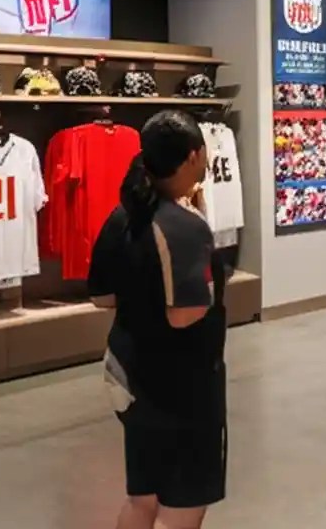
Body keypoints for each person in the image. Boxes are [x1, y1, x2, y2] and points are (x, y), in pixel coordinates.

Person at [88, 110, 230, 529]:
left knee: (143, 498)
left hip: (130, 374)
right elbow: (186, 314)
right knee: (184, 505)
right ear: (193, 156)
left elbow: (102, 296)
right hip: (180, 386)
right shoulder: (186, 227)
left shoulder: (122, 215)